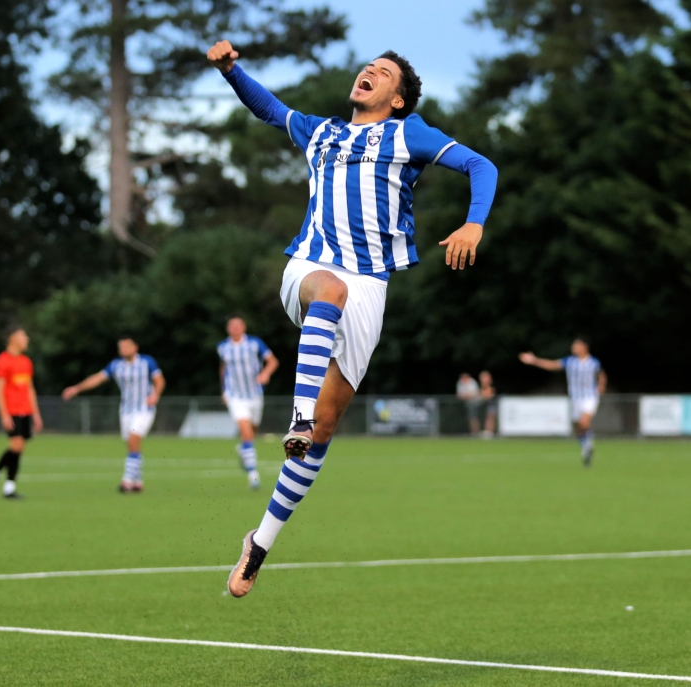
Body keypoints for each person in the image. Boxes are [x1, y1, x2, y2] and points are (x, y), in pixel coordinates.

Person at [206, 41, 498, 597]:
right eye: (369, 66)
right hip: (312, 268)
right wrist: (231, 72)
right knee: (329, 294)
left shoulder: (409, 134)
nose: (370, 72)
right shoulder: (321, 131)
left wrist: (473, 225)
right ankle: (295, 417)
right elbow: (270, 108)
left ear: (397, 100)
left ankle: (259, 544)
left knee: (328, 425)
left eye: (383, 72)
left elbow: (481, 165)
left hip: (371, 286)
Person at [62, 337, 165, 493]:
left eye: (126, 346)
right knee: (132, 445)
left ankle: (127, 481)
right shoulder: (116, 365)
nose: (123, 349)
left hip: (144, 409)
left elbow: (159, 380)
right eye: (121, 347)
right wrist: (77, 388)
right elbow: (98, 378)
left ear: (135, 347)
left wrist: (155, 395)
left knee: (133, 439)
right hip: (126, 410)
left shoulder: (146, 362)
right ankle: (138, 481)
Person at [519, 338, 606, 466]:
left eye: (576, 345)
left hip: (590, 397)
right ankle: (585, 446)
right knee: (578, 427)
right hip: (575, 398)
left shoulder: (593, 362)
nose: (573, 348)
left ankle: (588, 445)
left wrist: (601, 385)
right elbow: (552, 365)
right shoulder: (570, 361)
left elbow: (601, 374)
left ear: (584, 347)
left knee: (584, 422)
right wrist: (534, 360)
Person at [217, 316, 280, 489]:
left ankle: (244, 449)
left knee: (252, 432)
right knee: (245, 431)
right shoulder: (223, 347)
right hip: (235, 396)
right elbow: (223, 369)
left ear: (243, 327)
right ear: (228, 329)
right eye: (232, 326)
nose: (235, 328)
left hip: (255, 395)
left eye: (238, 325)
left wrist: (265, 374)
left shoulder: (254, 343)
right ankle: (253, 474)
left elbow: (273, 361)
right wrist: (223, 390)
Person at [0, 327, 43, 499]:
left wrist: (36, 413)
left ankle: (8, 488)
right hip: (12, 410)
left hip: (26, 409)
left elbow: (30, 389)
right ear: (13, 338)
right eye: (23, 335)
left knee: (19, 448)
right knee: (16, 445)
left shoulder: (26, 361)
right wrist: (4, 414)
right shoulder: (2, 361)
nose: (26, 338)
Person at [479, 370, 498, 438]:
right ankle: (487, 431)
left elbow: (489, 395)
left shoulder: (491, 387)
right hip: (485, 405)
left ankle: (490, 431)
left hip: (491, 404)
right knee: (488, 418)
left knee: (490, 417)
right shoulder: (482, 387)